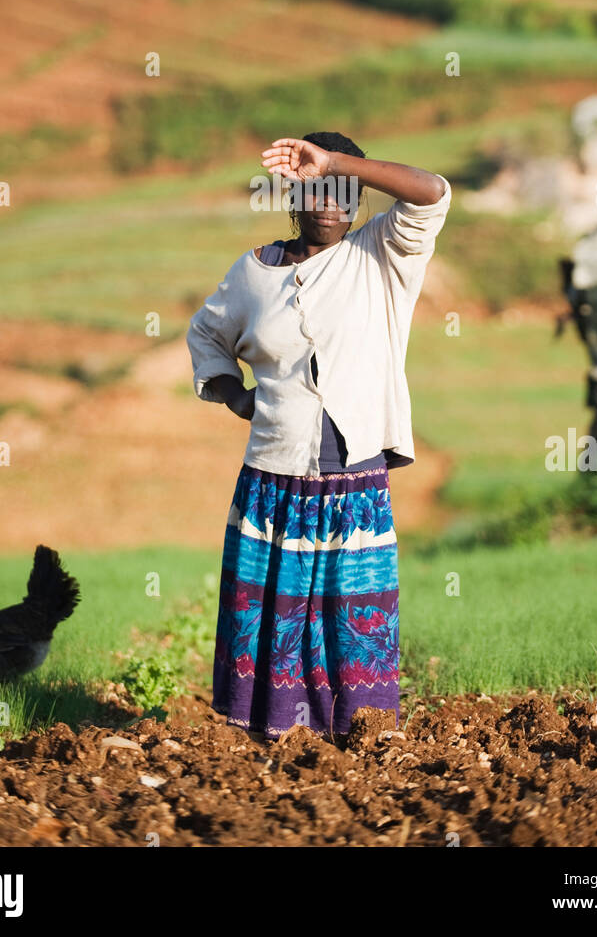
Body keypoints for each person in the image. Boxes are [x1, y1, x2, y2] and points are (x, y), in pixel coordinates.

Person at [186, 131, 451, 740]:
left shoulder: (380, 255)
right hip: (272, 481)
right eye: (317, 189)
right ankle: (266, 741)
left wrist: (333, 162)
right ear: (292, 197)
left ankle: (361, 740)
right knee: (273, 618)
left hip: (353, 482)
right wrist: (236, 396)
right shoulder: (253, 275)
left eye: (344, 191)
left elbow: (433, 193)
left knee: (350, 620)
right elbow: (206, 334)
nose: (332, 203)